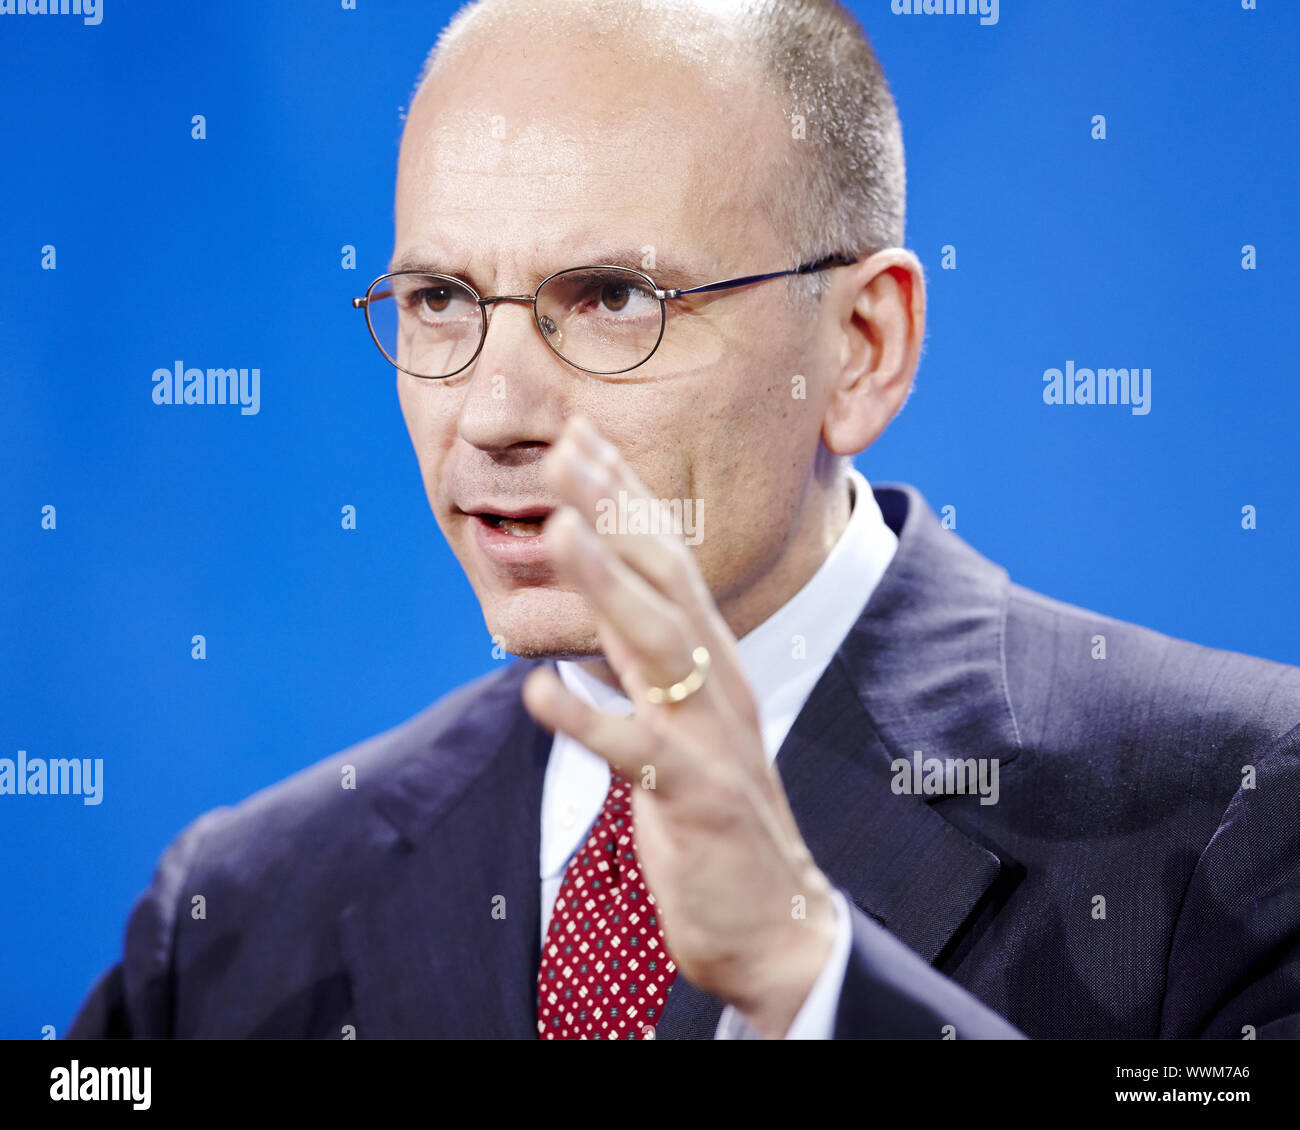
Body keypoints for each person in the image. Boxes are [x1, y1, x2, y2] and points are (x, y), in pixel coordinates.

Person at [69, 0, 1300, 1040]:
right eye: (440, 298)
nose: (491, 413)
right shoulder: (235, 914)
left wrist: (810, 978)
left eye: (609, 298)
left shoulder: (1244, 807)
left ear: (861, 348)